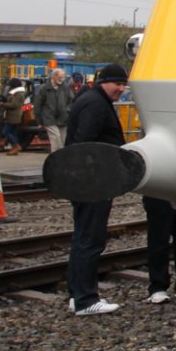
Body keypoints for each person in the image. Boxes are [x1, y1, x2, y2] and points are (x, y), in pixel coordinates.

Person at [64, 63, 131, 316]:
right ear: (105, 82)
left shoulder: (88, 98)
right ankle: (85, 299)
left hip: (86, 180)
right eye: (118, 84)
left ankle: (76, 294)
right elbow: (85, 143)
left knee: (82, 237)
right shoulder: (95, 104)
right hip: (94, 181)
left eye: (124, 84)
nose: (121, 89)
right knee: (90, 240)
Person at [35, 68, 75, 154]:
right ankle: (56, 159)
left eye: (63, 77)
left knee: (63, 141)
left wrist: (67, 110)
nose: (61, 79)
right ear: (53, 76)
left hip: (63, 118)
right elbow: (38, 105)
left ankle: (61, 160)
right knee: (56, 139)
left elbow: (71, 101)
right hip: (49, 118)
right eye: (60, 77)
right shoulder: (44, 88)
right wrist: (39, 121)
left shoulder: (66, 88)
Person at [0, 76, 28, 155]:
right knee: (13, 132)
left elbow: (14, 104)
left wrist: (3, 104)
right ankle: (14, 148)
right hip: (14, 115)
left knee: (6, 131)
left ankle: (16, 145)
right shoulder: (18, 93)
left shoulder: (18, 94)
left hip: (14, 116)